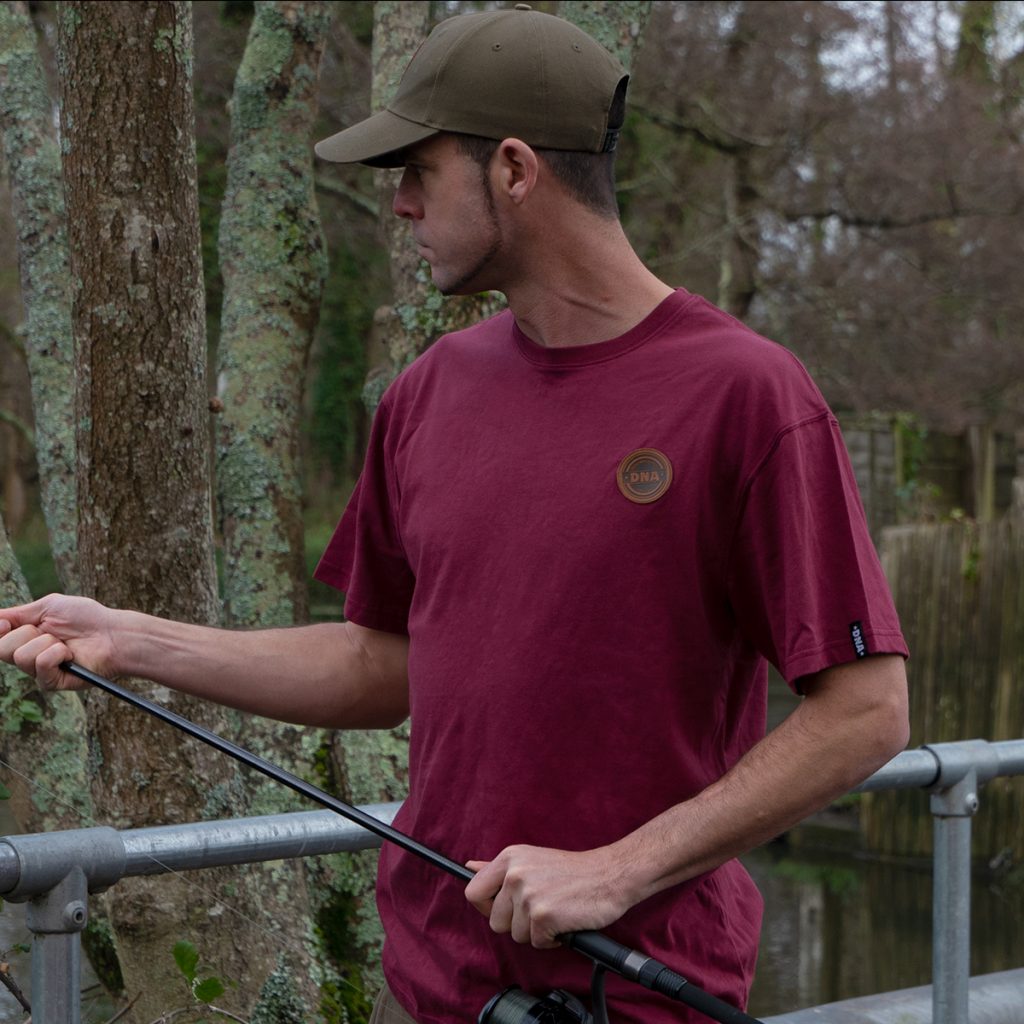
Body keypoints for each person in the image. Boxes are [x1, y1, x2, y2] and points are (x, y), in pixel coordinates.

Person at [0, 7, 909, 1024]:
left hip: (637, 991)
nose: (398, 203)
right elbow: (378, 662)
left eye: (419, 172)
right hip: (430, 988)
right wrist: (131, 640)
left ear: (514, 169)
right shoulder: (428, 391)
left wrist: (617, 868)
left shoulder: (747, 393)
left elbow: (867, 710)